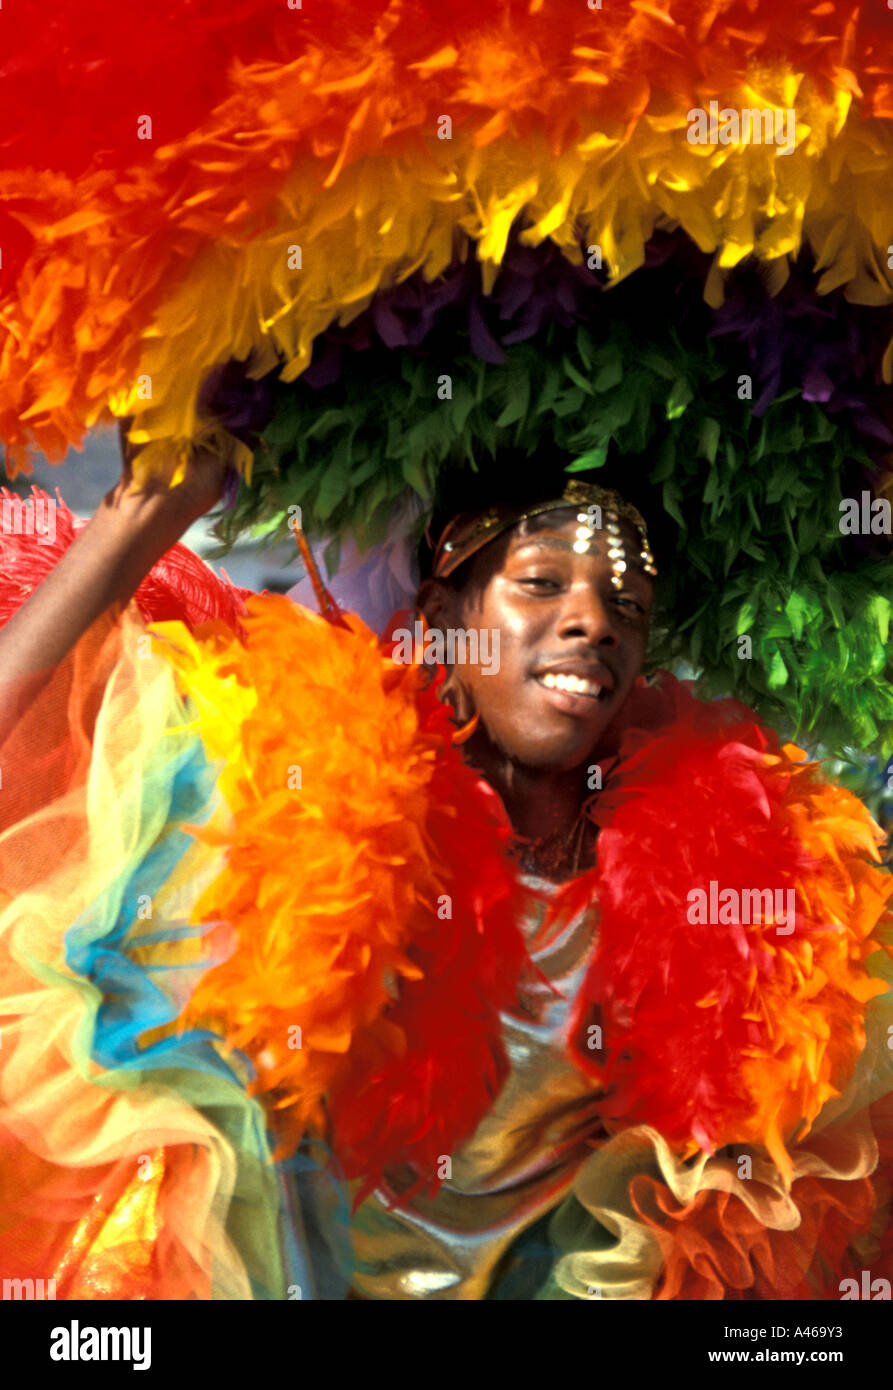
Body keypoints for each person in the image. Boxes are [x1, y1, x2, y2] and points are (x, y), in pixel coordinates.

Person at [0, 442, 889, 1302]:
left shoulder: (724, 869)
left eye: (628, 604)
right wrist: (138, 517)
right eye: (540, 584)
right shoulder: (303, 793)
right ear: (441, 612)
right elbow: (24, 745)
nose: (591, 623)